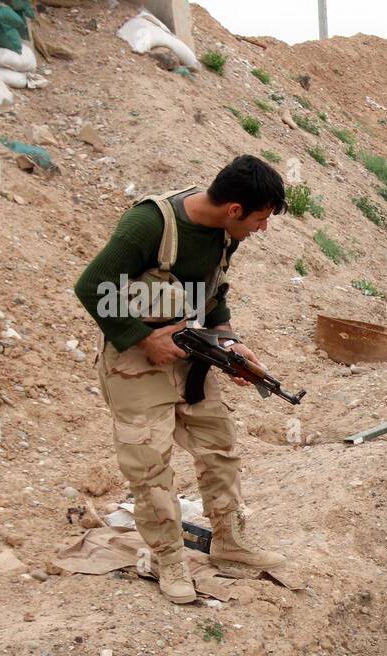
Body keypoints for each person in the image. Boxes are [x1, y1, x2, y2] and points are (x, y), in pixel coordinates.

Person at [74, 155, 288, 605]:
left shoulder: (226, 235)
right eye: (261, 219)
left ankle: (229, 544)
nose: (262, 229)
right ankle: (168, 559)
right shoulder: (150, 225)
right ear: (234, 209)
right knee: (150, 466)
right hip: (134, 361)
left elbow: (214, 294)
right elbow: (91, 286)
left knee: (220, 447)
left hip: (191, 354)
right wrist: (142, 338)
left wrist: (229, 343)